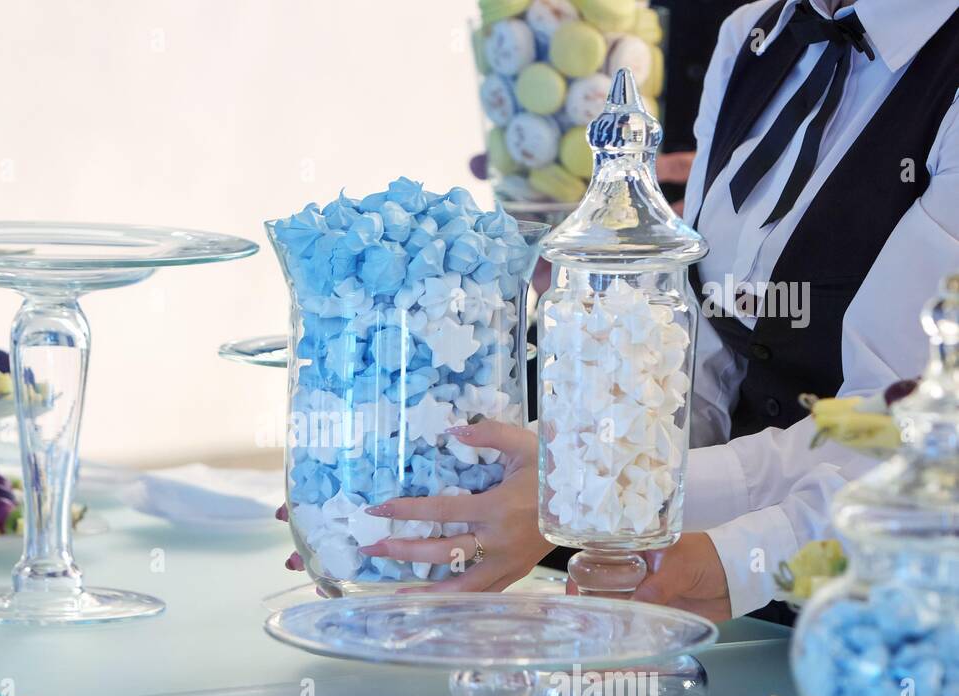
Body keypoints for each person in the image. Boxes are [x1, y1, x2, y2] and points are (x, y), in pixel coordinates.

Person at [284, 0, 959, 622]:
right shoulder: (754, 35)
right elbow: (701, 364)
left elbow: (907, 436)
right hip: (702, 605)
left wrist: (591, 499)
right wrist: (488, 479)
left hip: (889, 629)